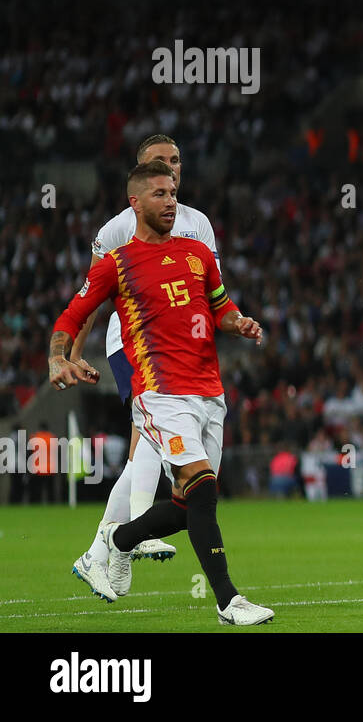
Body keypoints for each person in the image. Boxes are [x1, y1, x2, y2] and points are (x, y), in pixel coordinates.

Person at [52, 159, 274, 625]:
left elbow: (221, 308)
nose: (170, 201)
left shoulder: (196, 252)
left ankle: (116, 541)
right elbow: (72, 315)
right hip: (160, 393)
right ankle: (229, 602)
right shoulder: (118, 263)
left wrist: (240, 323)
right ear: (135, 202)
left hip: (209, 392)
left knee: (185, 505)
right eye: (159, 194)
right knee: (203, 489)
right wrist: (59, 356)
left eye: (172, 192)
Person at [66, 135, 220, 593]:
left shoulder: (199, 224)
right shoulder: (117, 228)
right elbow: (91, 295)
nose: (169, 170)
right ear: (138, 177)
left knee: (148, 450)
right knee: (149, 444)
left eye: (175, 161)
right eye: (159, 164)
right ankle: (130, 536)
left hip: (185, 353)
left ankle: (104, 551)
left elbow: (211, 293)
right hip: (134, 345)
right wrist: (74, 352)